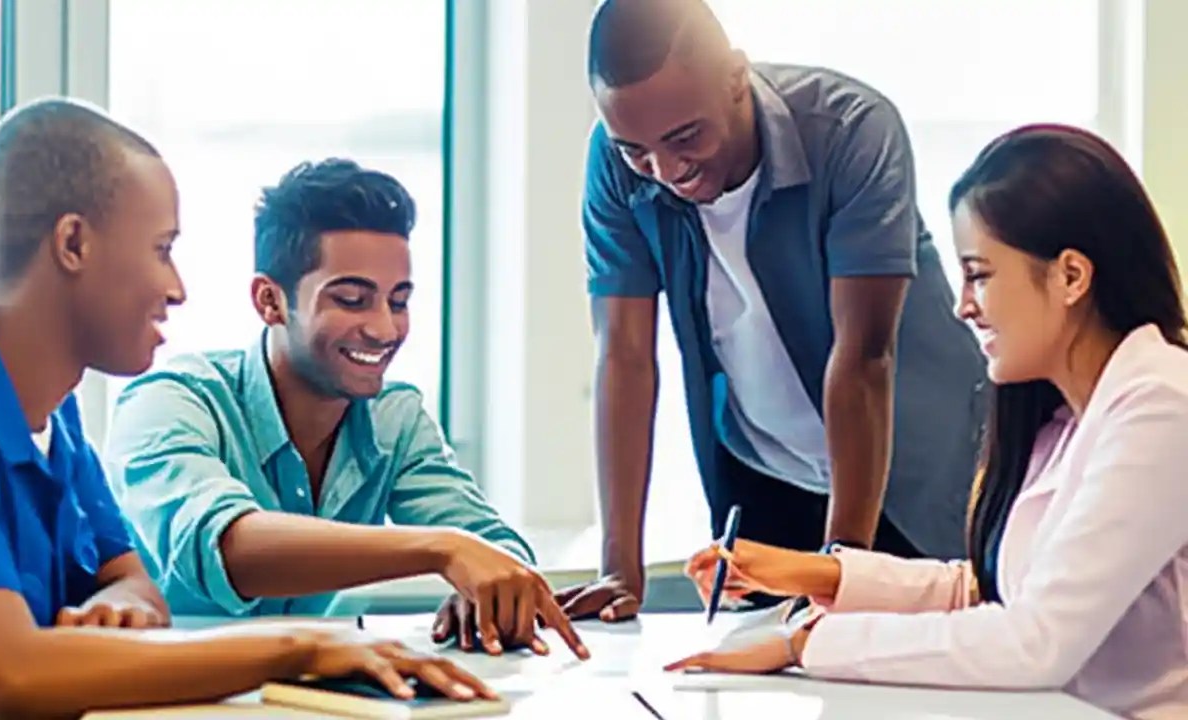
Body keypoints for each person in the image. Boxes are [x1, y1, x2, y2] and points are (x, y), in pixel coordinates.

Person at [0, 98, 493, 720]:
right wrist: (303, 646)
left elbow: (135, 585)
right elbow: (8, 680)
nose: (176, 288)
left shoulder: (54, 419)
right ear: (73, 243)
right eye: (162, 249)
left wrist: (125, 604)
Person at [667, 124, 1188, 720]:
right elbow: (984, 591)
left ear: (1071, 276)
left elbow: (1034, 642)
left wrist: (805, 644)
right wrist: (820, 573)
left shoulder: (1162, 405)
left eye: (980, 275)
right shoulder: (1064, 419)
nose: (963, 305)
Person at [559, 0, 988, 621]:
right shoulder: (615, 164)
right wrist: (619, 568)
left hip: (907, 469)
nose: (665, 170)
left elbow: (864, 356)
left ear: (736, 77)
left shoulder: (849, 130)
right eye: (636, 151)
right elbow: (625, 356)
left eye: (686, 137)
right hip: (762, 468)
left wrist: (846, 569)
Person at [103, 158, 588, 660]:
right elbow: (230, 551)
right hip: (166, 693)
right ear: (270, 301)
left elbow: (493, 546)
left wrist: (486, 590)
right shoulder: (169, 402)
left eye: (398, 302)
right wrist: (443, 550)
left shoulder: (393, 419)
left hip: (317, 689)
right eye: (352, 300)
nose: (384, 329)